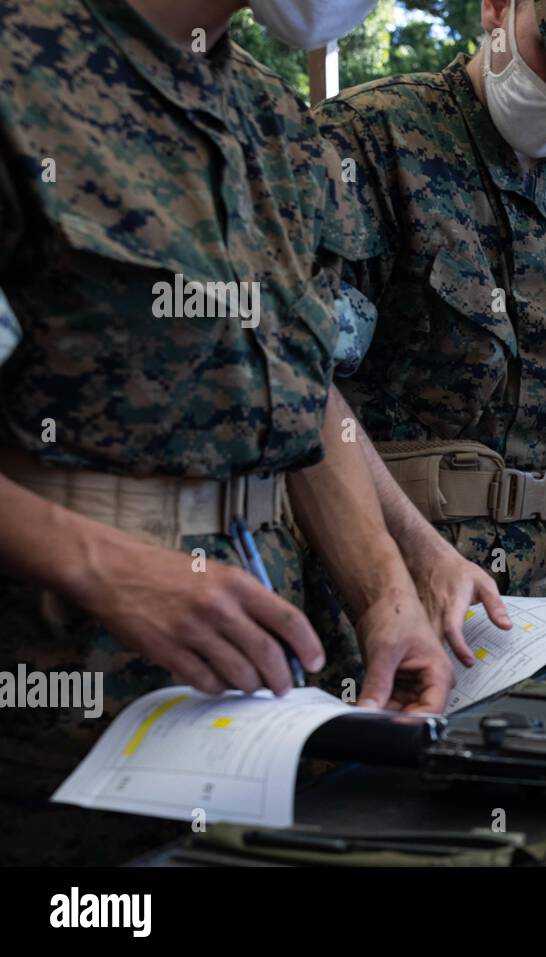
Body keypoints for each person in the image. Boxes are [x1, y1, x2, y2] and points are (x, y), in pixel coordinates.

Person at [0, 0, 461, 865]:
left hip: (263, 704)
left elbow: (300, 389)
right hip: (49, 725)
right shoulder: (21, 58)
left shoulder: (268, 110)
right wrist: (103, 564)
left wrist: (384, 593)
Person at [315, 0, 546, 611]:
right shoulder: (370, 138)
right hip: (387, 580)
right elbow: (305, 384)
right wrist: (408, 560)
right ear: (496, 8)